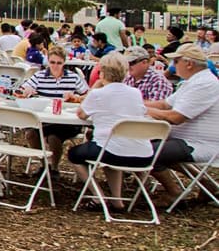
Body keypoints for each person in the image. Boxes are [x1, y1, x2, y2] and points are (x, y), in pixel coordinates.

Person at [70, 52, 154, 203]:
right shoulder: (135, 93)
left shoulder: (98, 94)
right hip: (142, 153)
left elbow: (81, 114)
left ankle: (98, 195)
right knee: (110, 148)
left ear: (102, 72)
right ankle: (116, 199)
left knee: (74, 154)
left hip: (113, 150)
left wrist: (95, 86)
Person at [147, 43, 219, 206]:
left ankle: (174, 192)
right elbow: (165, 104)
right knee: (145, 146)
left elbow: (176, 117)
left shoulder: (204, 84)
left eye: (176, 61)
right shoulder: (194, 81)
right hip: (186, 140)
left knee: (143, 151)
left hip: (201, 143)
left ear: (189, 63)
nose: (172, 66)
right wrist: (135, 103)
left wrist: (146, 110)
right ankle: (205, 184)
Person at [17, 47, 90, 171]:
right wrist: (26, 91)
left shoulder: (73, 77)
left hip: (66, 120)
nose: (55, 66)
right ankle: (44, 164)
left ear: (64, 63)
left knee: (54, 137)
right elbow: (21, 90)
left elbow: (88, 95)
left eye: (59, 63)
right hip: (44, 118)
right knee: (30, 134)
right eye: (52, 62)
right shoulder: (40, 76)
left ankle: (54, 168)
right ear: (48, 62)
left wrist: (76, 97)